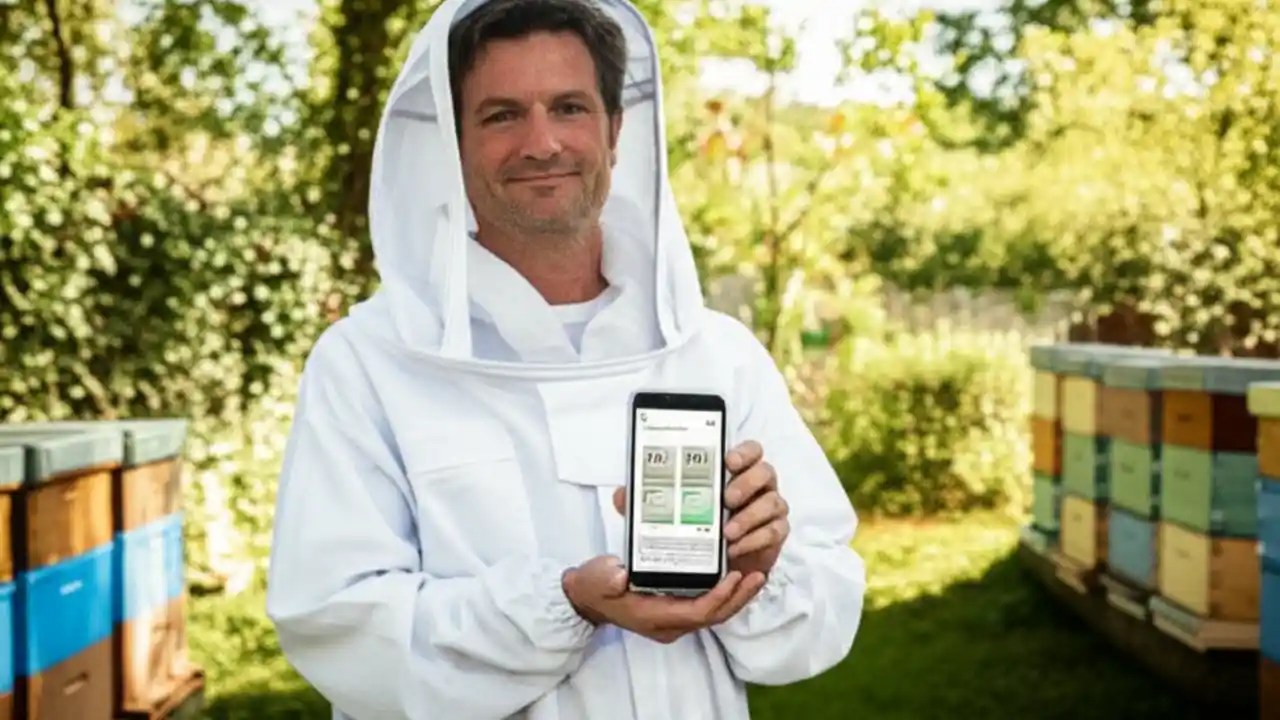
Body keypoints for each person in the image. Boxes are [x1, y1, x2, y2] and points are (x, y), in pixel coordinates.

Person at [265, 0, 866, 718]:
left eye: (570, 107)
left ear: (615, 131)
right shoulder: (368, 362)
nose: (542, 142)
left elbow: (820, 618)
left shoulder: (716, 354)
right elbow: (340, 626)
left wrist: (757, 571)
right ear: (453, 143)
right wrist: (567, 603)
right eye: (501, 115)